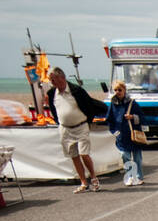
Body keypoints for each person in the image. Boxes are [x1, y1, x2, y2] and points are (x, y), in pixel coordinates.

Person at [45, 66, 107, 194]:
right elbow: (53, 109)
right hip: (65, 128)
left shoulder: (76, 90)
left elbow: (89, 106)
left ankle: (94, 178)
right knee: (73, 155)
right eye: (51, 80)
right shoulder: (52, 93)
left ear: (61, 78)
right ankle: (83, 182)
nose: (52, 82)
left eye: (53, 79)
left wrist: (88, 120)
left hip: (81, 125)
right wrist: (59, 121)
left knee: (84, 153)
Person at [106, 80, 144, 186]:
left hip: (133, 134)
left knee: (137, 158)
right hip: (121, 135)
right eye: (115, 90)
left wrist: (132, 117)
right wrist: (115, 132)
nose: (117, 92)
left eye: (120, 90)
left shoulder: (132, 103)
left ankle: (139, 177)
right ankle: (130, 176)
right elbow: (110, 120)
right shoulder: (113, 104)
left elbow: (142, 117)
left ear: (124, 90)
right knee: (124, 156)